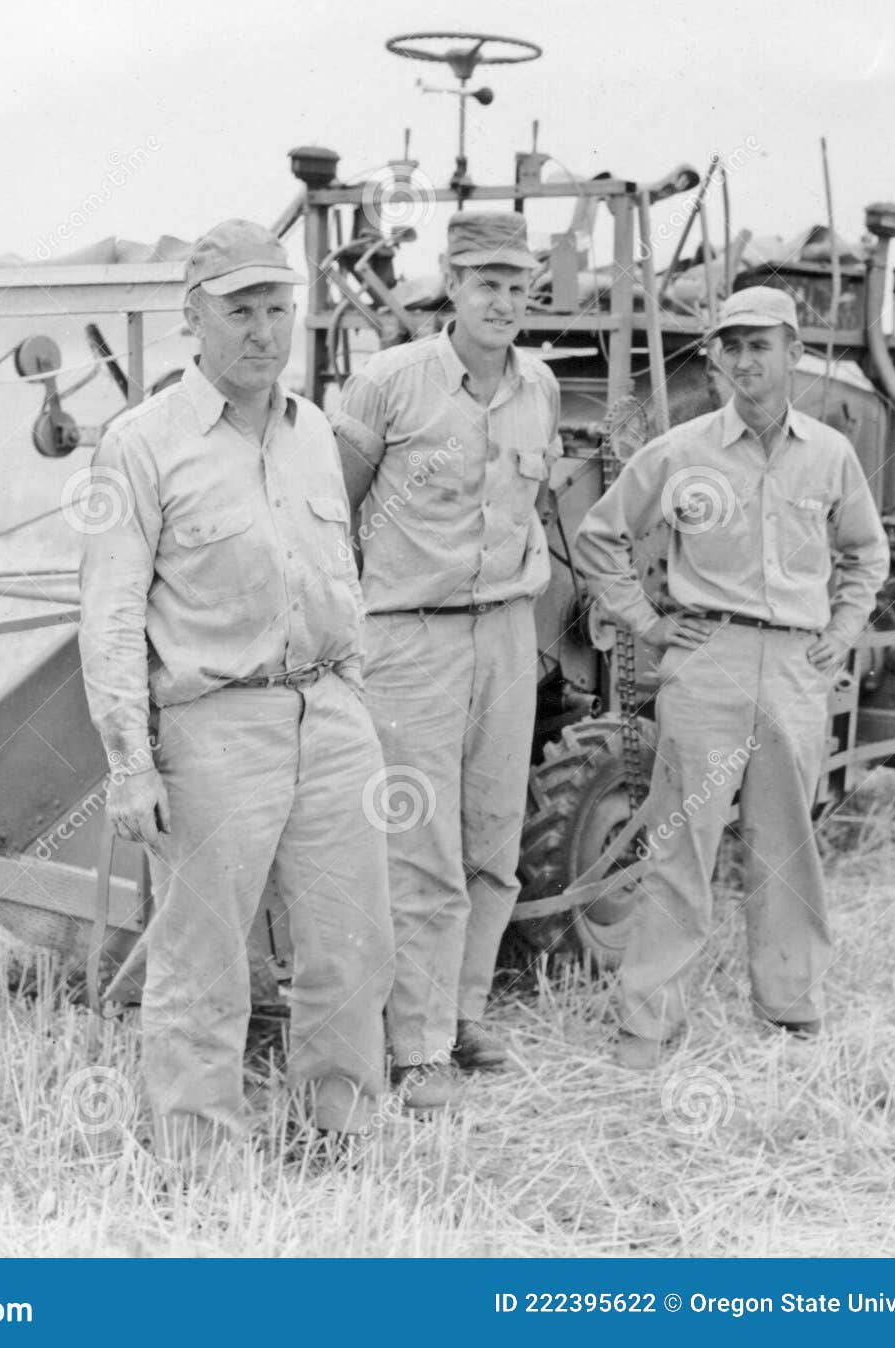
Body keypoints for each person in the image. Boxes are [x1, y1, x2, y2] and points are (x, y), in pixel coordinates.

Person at [78, 218, 395, 1164]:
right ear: (194, 319)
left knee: (352, 944)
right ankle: (200, 1162)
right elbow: (108, 615)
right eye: (240, 311)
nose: (263, 330)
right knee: (203, 959)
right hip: (216, 728)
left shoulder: (316, 436)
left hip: (333, 714)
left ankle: (337, 1137)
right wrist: (131, 765)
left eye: (277, 308)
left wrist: (353, 696)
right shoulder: (139, 445)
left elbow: (339, 570)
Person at [572, 285, 889, 1067]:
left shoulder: (830, 454)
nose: (746, 361)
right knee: (680, 846)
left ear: (795, 354)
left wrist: (841, 634)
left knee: (786, 847)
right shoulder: (682, 452)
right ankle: (648, 1022)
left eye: (761, 345)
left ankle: (790, 1004)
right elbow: (601, 533)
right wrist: (648, 624)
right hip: (707, 665)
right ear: (714, 357)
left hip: (793, 666)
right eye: (731, 347)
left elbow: (866, 553)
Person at [331, 212, 561, 1111]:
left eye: (518, 285)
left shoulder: (537, 387)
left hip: (505, 634)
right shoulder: (390, 382)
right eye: (486, 283)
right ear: (452, 285)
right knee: (418, 847)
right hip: (409, 639)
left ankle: (462, 1012)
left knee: (494, 841)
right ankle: (416, 1046)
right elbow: (330, 514)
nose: (503, 301)